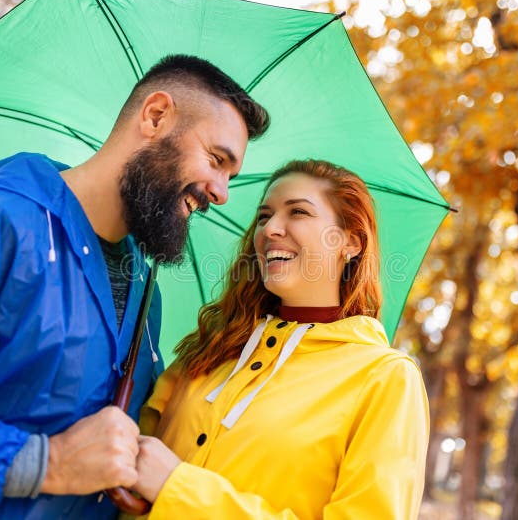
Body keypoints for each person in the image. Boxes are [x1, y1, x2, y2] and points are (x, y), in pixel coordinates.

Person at [0, 54, 269, 518]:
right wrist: (46, 463)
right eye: (216, 160)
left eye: (230, 177)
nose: (221, 191)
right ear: (156, 116)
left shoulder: (145, 294)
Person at [128, 159, 429, 519]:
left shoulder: (384, 379)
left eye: (298, 212)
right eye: (264, 216)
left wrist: (177, 489)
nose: (271, 229)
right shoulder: (213, 344)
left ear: (351, 241)